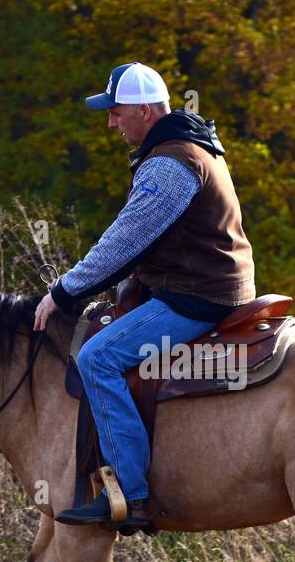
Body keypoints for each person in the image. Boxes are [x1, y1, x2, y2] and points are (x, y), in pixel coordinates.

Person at [33, 62, 256, 531]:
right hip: (205, 286)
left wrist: (63, 290)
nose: (111, 122)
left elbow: (125, 240)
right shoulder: (190, 148)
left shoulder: (170, 163)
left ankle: (130, 497)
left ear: (148, 111)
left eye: (117, 112)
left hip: (198, 298)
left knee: (97, 358)